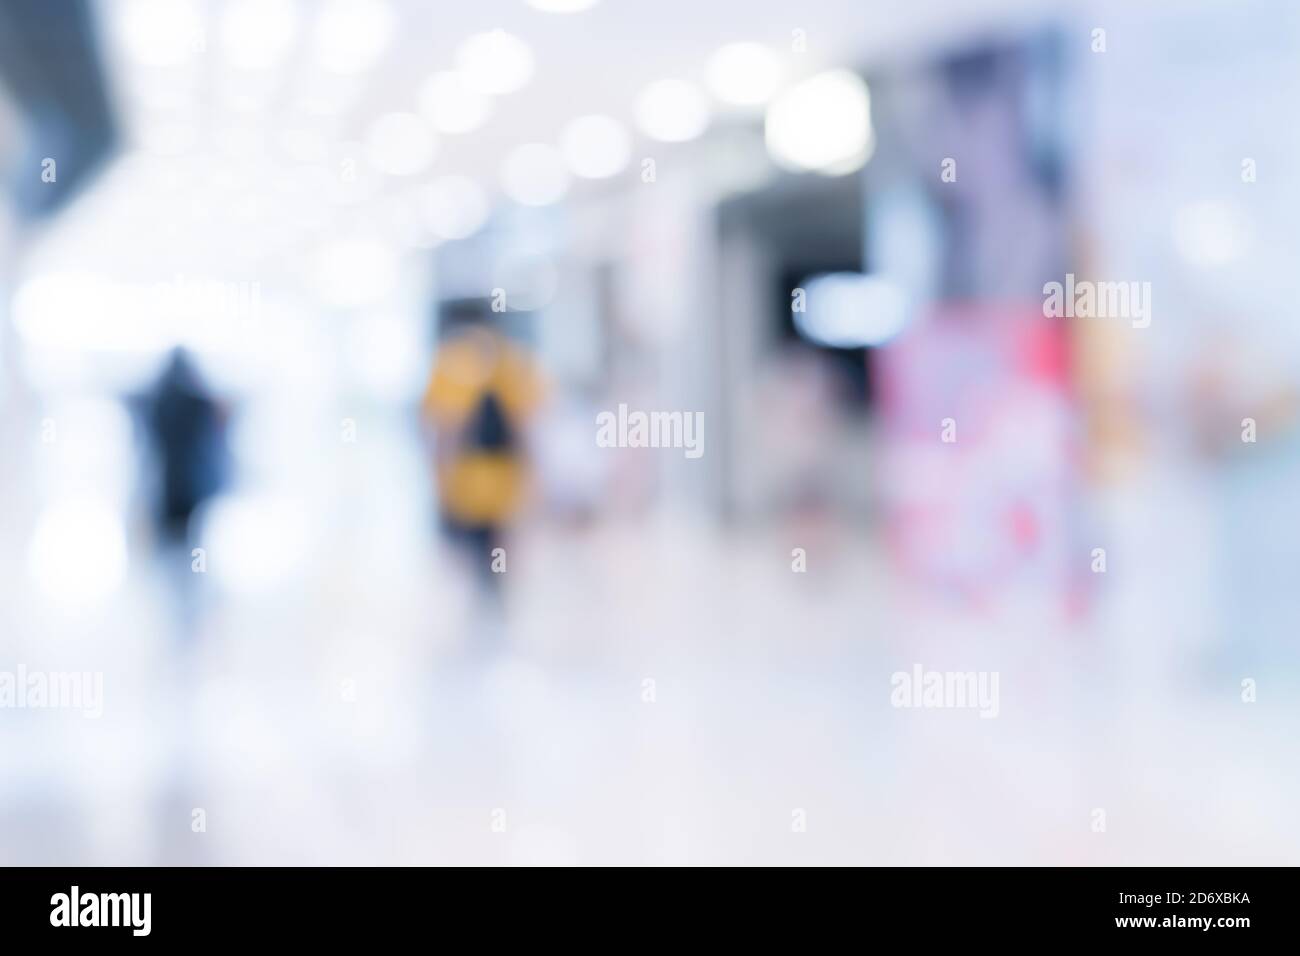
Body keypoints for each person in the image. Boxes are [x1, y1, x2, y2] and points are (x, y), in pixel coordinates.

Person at [421, 305, 542, 588]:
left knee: (475, 537)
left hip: (468, 470)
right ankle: (496, 583)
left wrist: (439, 471)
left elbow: (445, 426)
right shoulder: (512, 360)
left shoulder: (450, 362)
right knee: (499, 534)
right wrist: (532, 470)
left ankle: (484, 584)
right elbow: (525, 424)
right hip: (503, 469)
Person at [140, 348, 228, 543]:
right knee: (189, 534)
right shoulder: (196, 403)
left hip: (171, 481)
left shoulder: (160, 401)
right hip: (189, 481)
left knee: (173, 535)